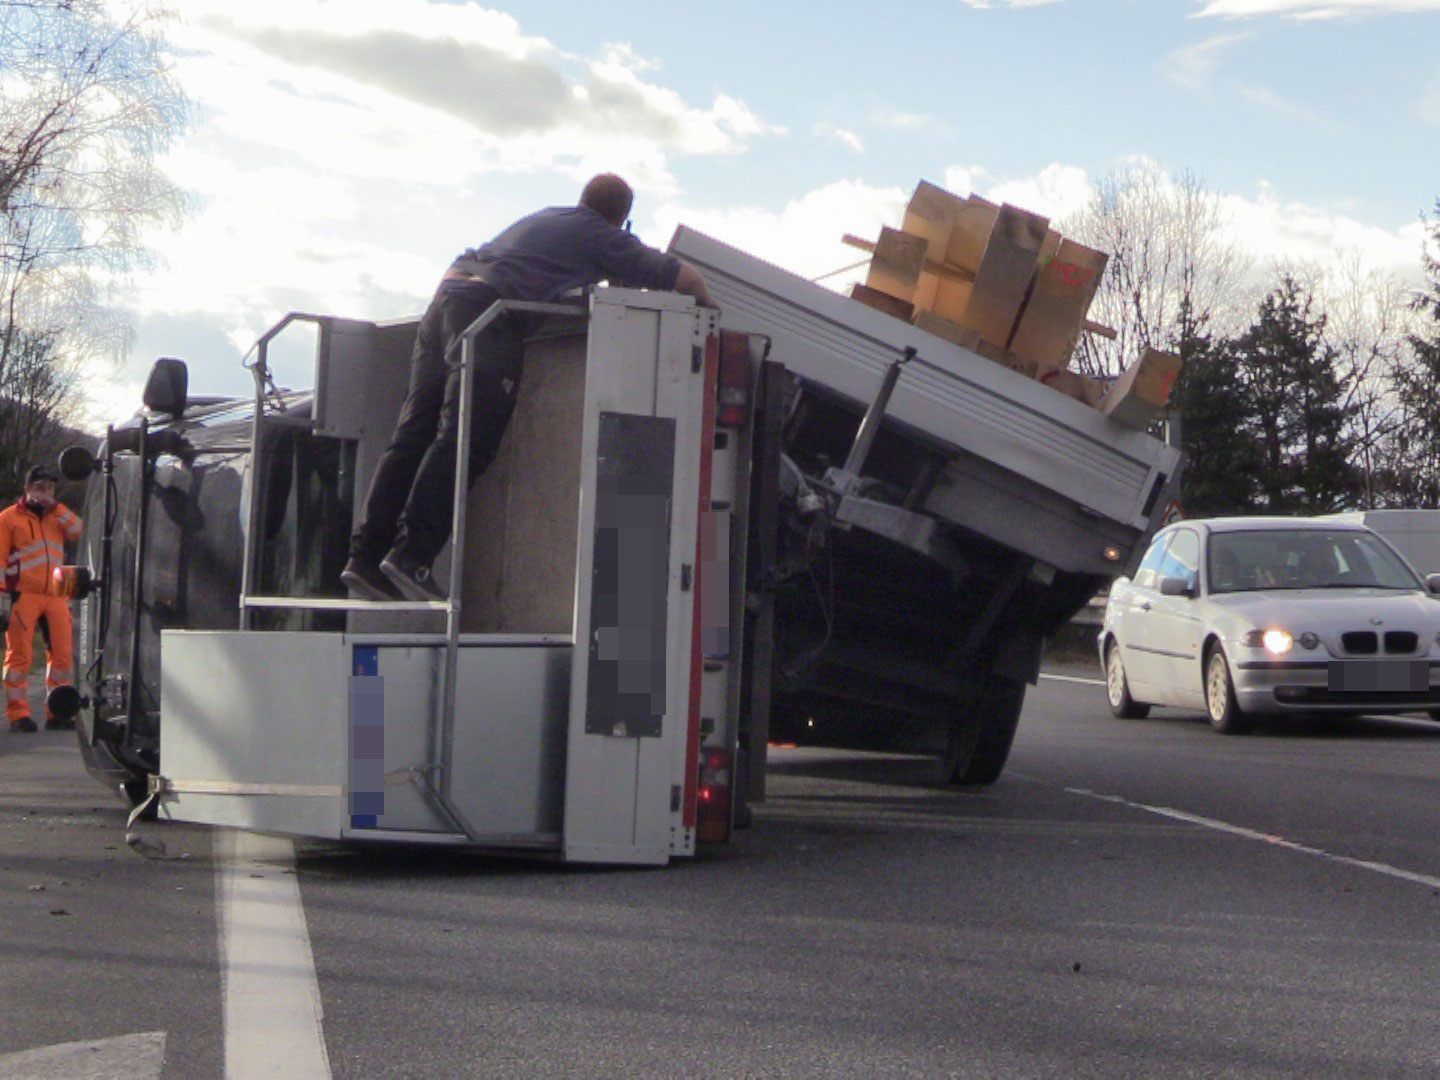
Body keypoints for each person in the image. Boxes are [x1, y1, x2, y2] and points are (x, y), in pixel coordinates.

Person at [342, 173, 716, 603]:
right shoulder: (600, 234)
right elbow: (686, 280)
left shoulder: (548, 218)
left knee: (412, 435)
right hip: (488, 314)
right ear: (620, 218)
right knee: (465, 439)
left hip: (445, 301)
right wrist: (711, 311)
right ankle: (412, 556)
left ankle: (364, 558)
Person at [1, 465, 83, 733]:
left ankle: (57, 712)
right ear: (27, 489)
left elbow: (80, 530)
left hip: (57, 594)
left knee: (62, 655)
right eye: (39, 487)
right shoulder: (8, 518)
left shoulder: (57, 516)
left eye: (49, 487)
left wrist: (56, 506)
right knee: (20, 656)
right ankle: (18, 714)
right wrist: (2, 594)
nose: (45, 492)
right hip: (23, 594)